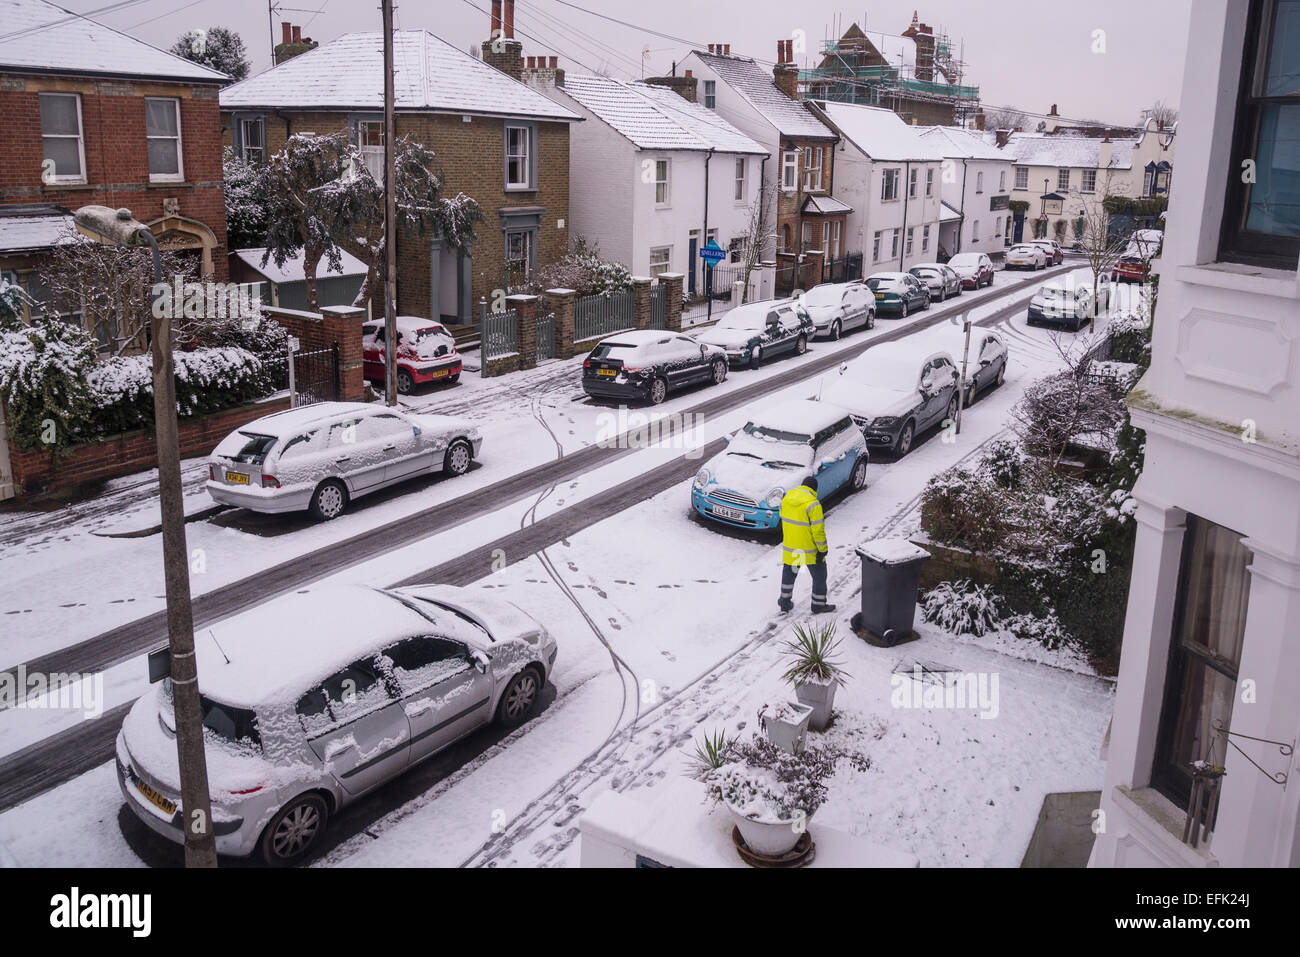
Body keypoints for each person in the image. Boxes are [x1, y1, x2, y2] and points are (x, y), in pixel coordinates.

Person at [778, 476, 835, 615]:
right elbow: (818, 531)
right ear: (814, 489)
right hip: (810, 551)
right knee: (820, 576)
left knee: (790, 574)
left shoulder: (786, 500)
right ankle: (818, 604)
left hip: (792, 548)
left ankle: (784, 603)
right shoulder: (813, 504)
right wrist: (823, 549)